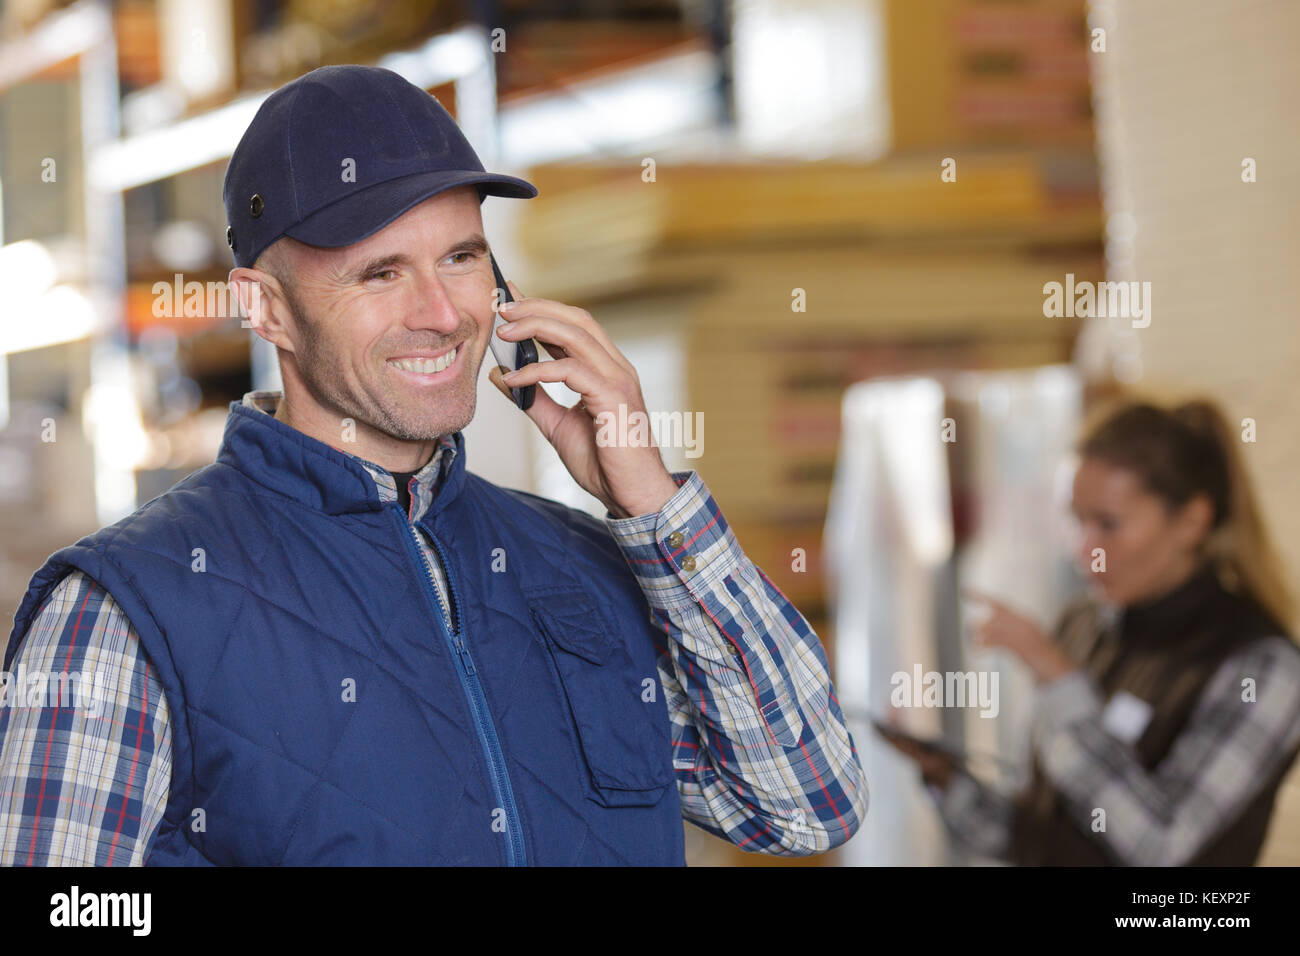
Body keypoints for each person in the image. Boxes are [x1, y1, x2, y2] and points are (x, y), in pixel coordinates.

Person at [0, 65, 866, 865]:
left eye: (461, 256)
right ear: (265, 308)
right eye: (380, 273)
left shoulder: (586, 569)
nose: (443, 313)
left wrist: (650, 503)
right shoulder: (130, 606)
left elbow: (807, 802)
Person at [886, 397, 1300, 865]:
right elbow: (1043, 841)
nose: (1084, 550)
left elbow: (1161, 847)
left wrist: (1061, 681)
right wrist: (946, 779)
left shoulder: (1264, 668)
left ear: (1191, 521)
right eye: (1076, 520)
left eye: (1108, 524)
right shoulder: (1083, 625)